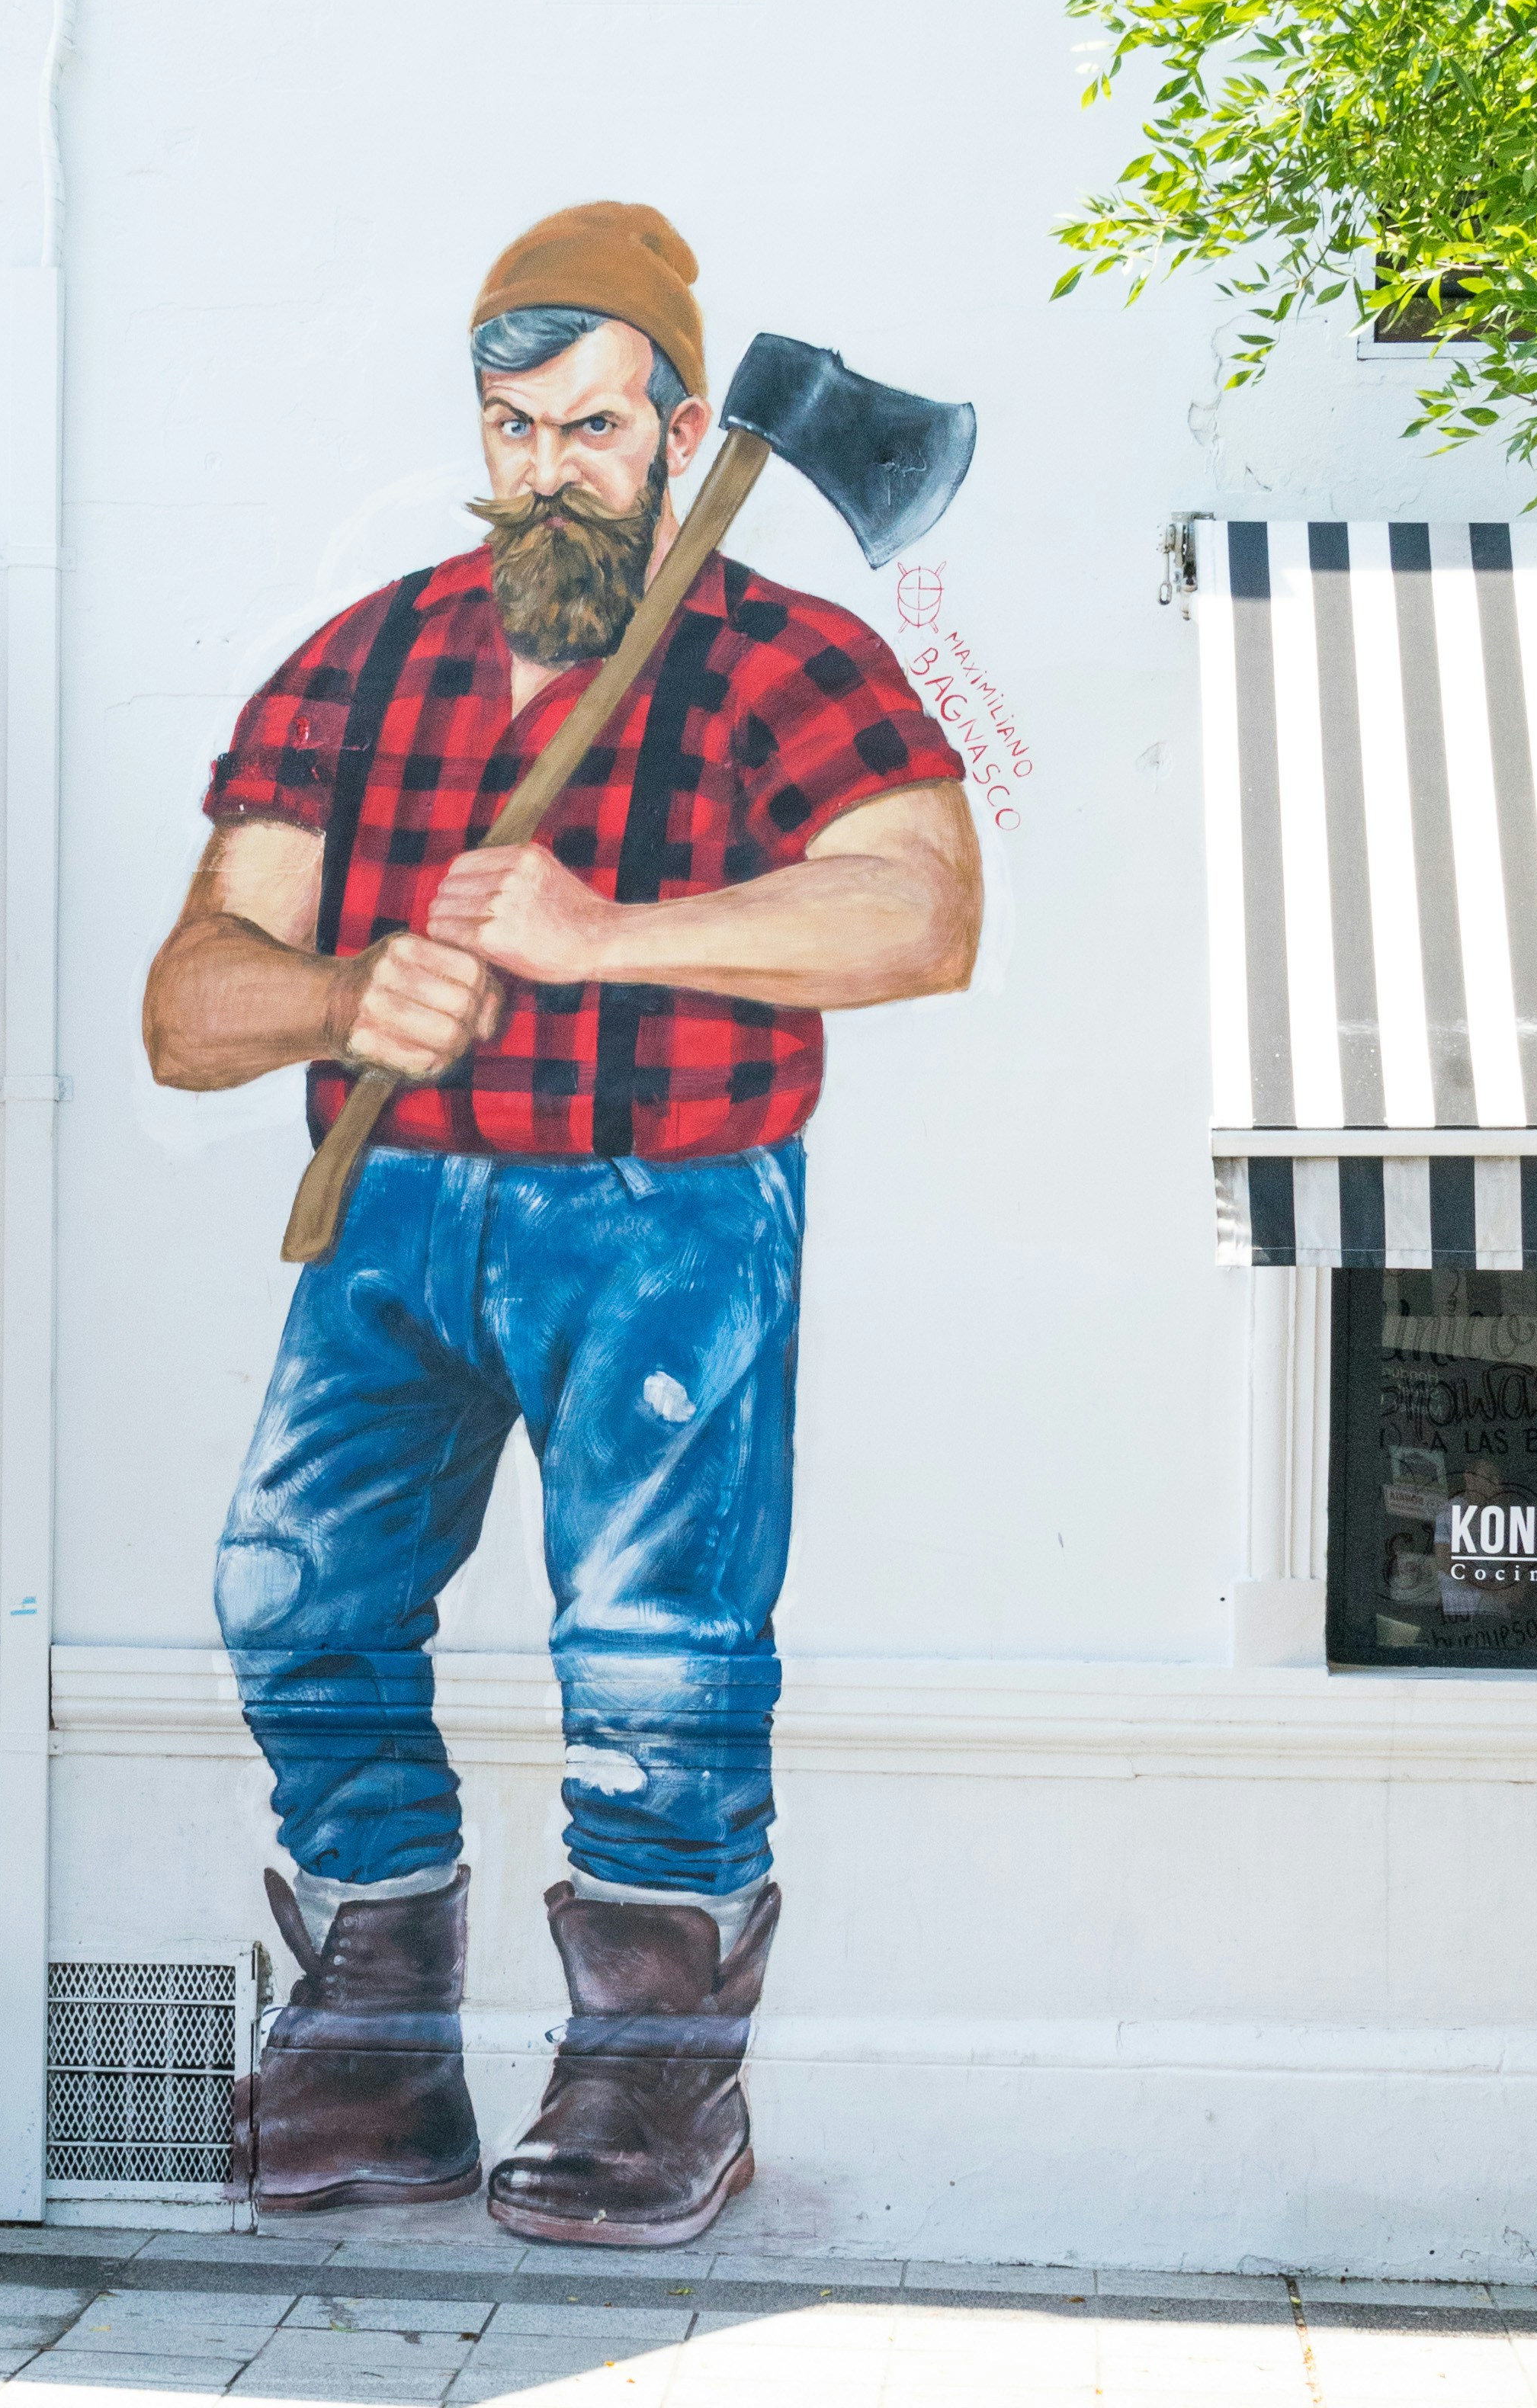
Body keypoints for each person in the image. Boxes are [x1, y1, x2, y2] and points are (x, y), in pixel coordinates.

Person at [143, 203, 983, 2246]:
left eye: (593, 428)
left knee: (656, 1652)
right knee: (295, 1606)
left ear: (684, 430)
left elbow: (925, 910)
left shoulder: (787, 660)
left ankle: (652, 2083)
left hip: (667, 1211)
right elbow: (189, 1004)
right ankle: (373, 2043)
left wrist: (607, 937)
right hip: (393, 1219)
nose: (548, 471)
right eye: (513, 428)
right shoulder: (365, 664)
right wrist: (347, 1000)